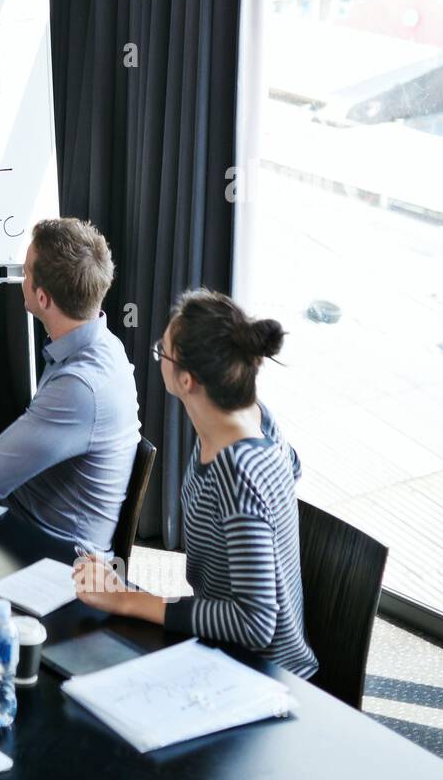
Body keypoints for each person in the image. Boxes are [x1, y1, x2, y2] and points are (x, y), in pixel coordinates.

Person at [74, 288, 318, 679]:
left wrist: (126, 599)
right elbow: (289, 470)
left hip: (261, 673)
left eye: (162, 351)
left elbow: (255, 625)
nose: (159, 356)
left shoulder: (237, 471)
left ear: (186, 380)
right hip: (223, 648)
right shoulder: (253, 417)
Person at [0, 218, 140, 553]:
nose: (21, 276)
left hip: (56, 552)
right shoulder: (103, 344)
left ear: (43, 298)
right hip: (35, 518)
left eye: (26, 272)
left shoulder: (80, 388)